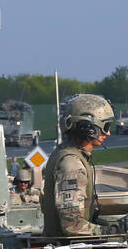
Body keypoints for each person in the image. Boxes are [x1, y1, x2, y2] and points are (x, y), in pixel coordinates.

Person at [42, 94, 114, 237]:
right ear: (89, 129)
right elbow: (73, 226)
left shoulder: (65, 153)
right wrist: (110, 231)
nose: (109, 133)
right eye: (106, 126)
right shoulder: (72, 165)